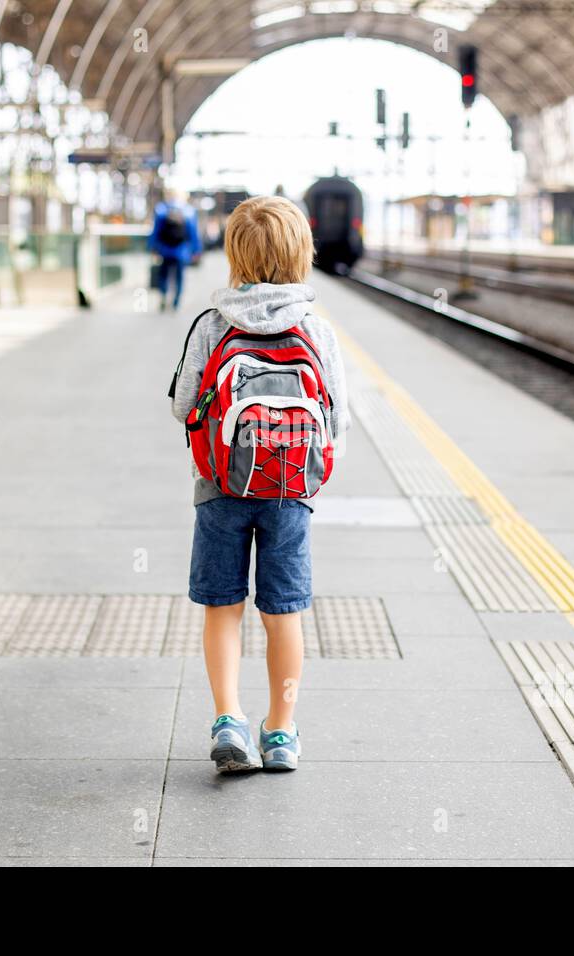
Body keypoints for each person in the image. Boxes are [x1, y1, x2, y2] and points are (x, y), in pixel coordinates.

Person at [169, 196, 351, 774]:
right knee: (284, 613)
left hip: (220, 487)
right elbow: (337, 421)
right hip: (291, 492)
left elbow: (182, 406)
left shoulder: (212, 324)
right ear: (304, 255)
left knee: (222, 608)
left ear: (233, 254)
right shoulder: (316, 330)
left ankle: (229, 720)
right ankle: (282, 731)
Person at [148, 189, 201, 311]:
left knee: (163, 275)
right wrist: (196, 250)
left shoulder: (161, 209)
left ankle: (163, 296)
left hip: (165, 250)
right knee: (179, 277)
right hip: (182, 250)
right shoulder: (189, 211)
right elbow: (193, 233)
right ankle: (176, 302)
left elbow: (155, 231)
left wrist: (152, 247)